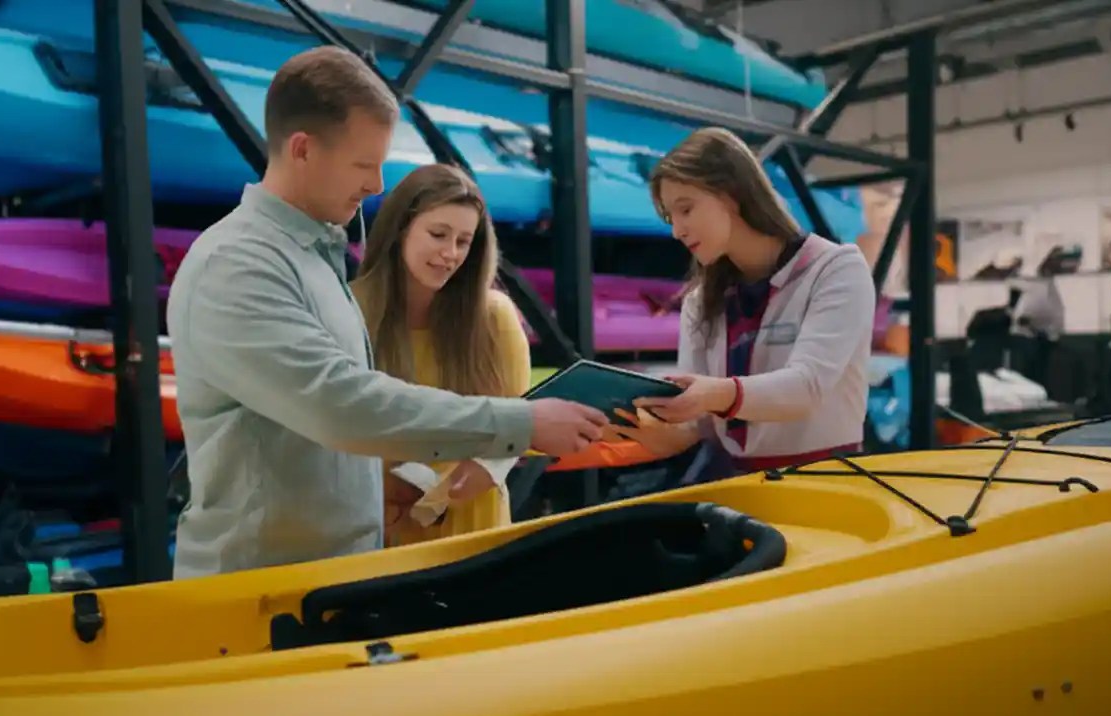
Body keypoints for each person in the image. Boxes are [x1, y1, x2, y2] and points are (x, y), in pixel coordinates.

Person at [166, 46, 606, 579]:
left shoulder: (314, 260)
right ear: (303, 149)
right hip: (262, 585)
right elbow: (337, 403)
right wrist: (522, 421)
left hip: (330, 575)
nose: (377, 185)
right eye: (363, 165)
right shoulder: (238, 265)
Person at [614, 127, 875, 481]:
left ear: (733, 194)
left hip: (827, 484)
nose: (677, 231)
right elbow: (701, 423)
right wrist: (661, 435)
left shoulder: (836, 269)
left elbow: (807, 387)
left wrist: (715, 394)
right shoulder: (699, 301)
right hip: (738, 488)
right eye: (671, 218)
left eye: (686, 209)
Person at [350, 163, 530, 545]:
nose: (450, 254)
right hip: (378, 534)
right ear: (400, 228)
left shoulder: (495, 317)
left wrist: (429, 488)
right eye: (438, 234)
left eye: (464, 242)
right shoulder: (349, 310)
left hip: (476, 530)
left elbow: (516, 427)